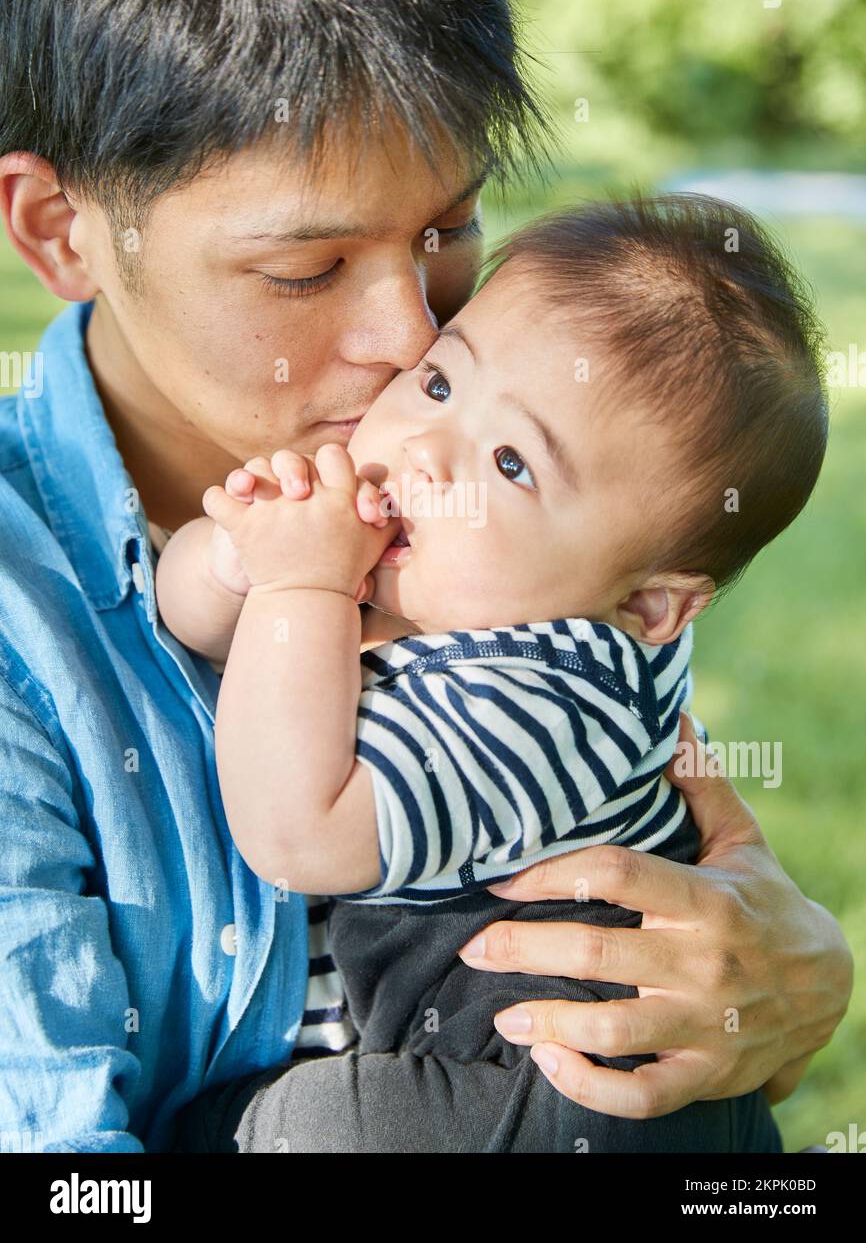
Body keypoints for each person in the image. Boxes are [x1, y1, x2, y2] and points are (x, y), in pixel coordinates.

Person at [0, 0, 852, 1154]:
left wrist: (777, 972)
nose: (410, 335)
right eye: (307, 265)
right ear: (58, 228)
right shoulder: (23, 616)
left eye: (447, 231)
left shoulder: (510, 496)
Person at [158, 195, 826, 1152]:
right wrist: (240, 560)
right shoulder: (486, 583)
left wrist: (300, 586)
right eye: (437, 386)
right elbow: (189, 616)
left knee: (291, 1130)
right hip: (492, 1068)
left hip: (553, 1090)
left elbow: (300, 833)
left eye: (511, 464)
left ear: (645, 606)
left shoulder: (549, 697)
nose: (430, 452)